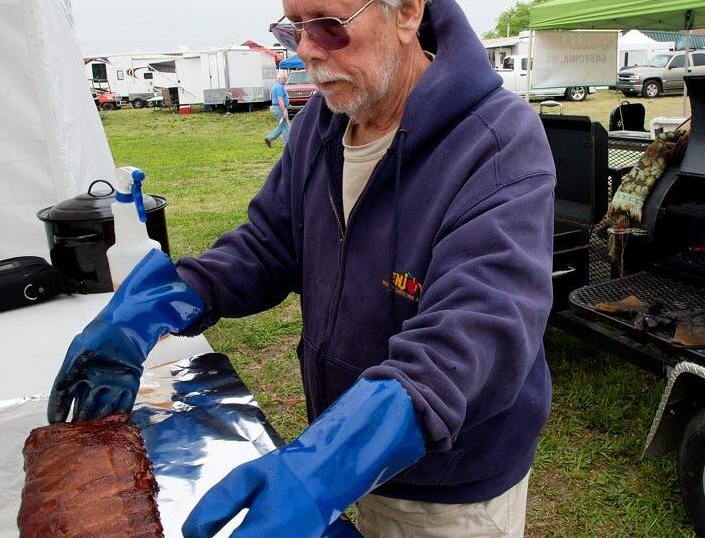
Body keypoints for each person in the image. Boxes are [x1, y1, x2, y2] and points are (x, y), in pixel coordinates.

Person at [47, 0, 556, 536]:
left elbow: (476, 331)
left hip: (446, 479)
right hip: (344, 442)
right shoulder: (326, 120)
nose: (307, 50)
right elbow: (270, 243)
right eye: (294, 28)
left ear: (406, 13)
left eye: (329, 27)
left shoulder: (498, 143)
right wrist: (161, 303)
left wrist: (331, 462)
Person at [265, 71, 291, 147]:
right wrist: (284, 111)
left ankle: (269, 138)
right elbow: (280, 99)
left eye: (286, 78)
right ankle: (287, 144)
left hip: (278, 108)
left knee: (282, 126)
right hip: (279, 108)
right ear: (279, 78)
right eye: (284, 78)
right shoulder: (279, 87)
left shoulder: (277, 86)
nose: (285, 80)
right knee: (285, 126)